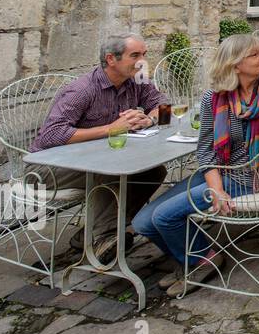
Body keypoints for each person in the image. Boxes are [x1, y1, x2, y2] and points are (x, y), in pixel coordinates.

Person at [132, 35, 259, 295]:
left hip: (257, 176)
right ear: (235, 65)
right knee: (143, 222)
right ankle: (192, 258)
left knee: (163, 217)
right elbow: (207, 150)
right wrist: (216, 190)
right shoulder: (214, 98)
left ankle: (203, 260)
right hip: (221, 172)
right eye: (255, 54)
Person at [29, 34, 169, 257]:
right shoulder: (82, 90)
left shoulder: (137, 80)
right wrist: (112, 128)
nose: (142, 61)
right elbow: (51, 135)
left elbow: (165, 105)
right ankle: (104, 237)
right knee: (114, 172)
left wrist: (149, 119)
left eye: (144, 54)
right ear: (111, 59)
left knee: (153, 172)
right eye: (135, 55)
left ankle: (90, 235)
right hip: (45, 167)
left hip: (97, 159)